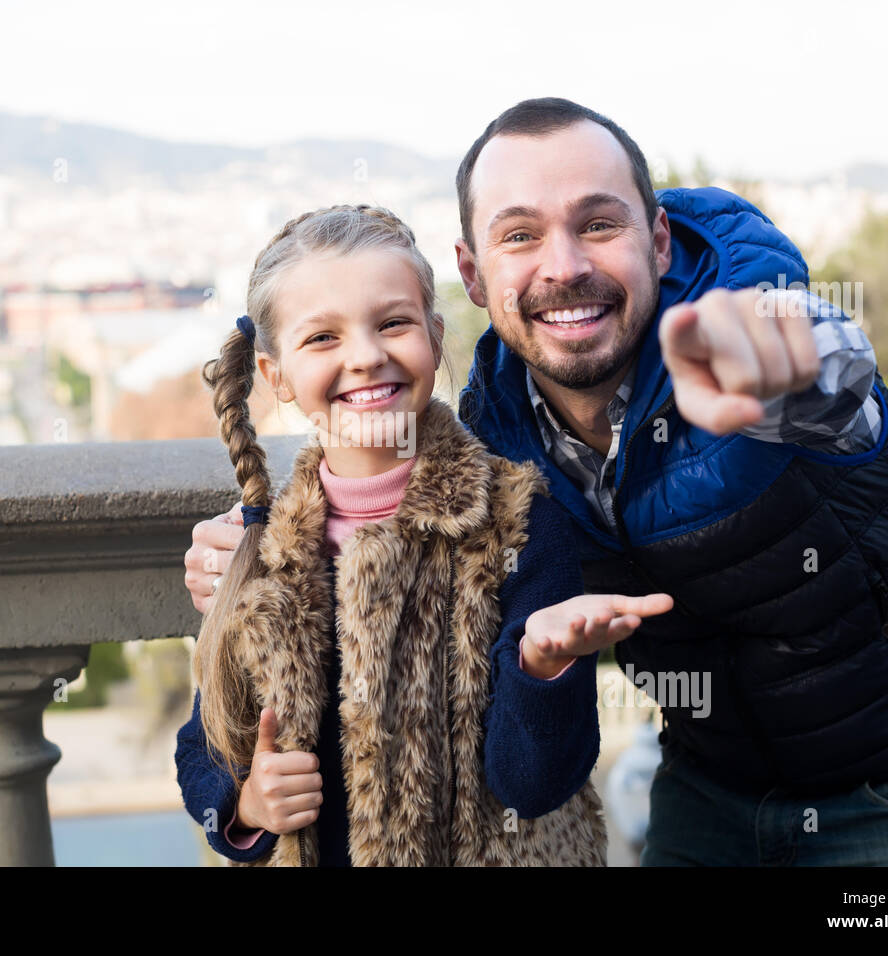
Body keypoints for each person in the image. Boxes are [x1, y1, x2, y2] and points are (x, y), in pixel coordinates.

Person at [186, 98, 888, 866]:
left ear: (657, 242)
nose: (565, 265)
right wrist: (256, 536)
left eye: (598, 224)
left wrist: (757, 355)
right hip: (705, 784)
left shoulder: (747, 325)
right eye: (520, 236)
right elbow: (392, 490)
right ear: (472, 276)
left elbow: (836, 375)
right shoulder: (499, 426)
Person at [173, 203, 673, 866]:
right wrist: (245, 808)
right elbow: (204, 741)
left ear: (435, 338)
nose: (366, 356)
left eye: (393, 324)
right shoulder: (261, 550)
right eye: (322, 338)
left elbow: (533, 784)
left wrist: (543, 669)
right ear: (276, 376)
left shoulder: (517, 524)